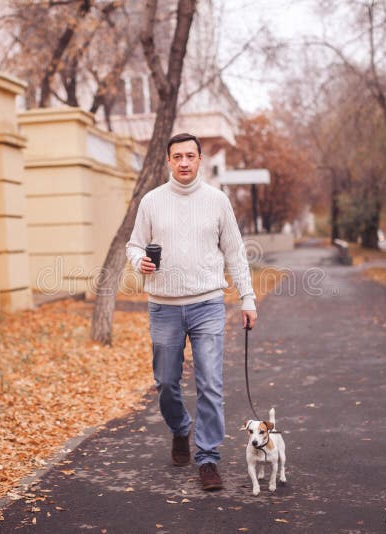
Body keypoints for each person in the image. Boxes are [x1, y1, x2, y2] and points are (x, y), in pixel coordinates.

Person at [126, 132, 258, 491]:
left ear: (200, 160)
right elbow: (134, 244)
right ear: (168, 161)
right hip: (164, 307)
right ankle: (181, 429)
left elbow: (235, 252)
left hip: (208, 304)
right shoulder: (152, 201)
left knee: (210, 384)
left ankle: (208, 457)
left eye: (190, 156)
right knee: (166, 382)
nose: (184, 162)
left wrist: (247, 298)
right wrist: (140, 261)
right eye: (177, 156)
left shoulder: (217, 201)